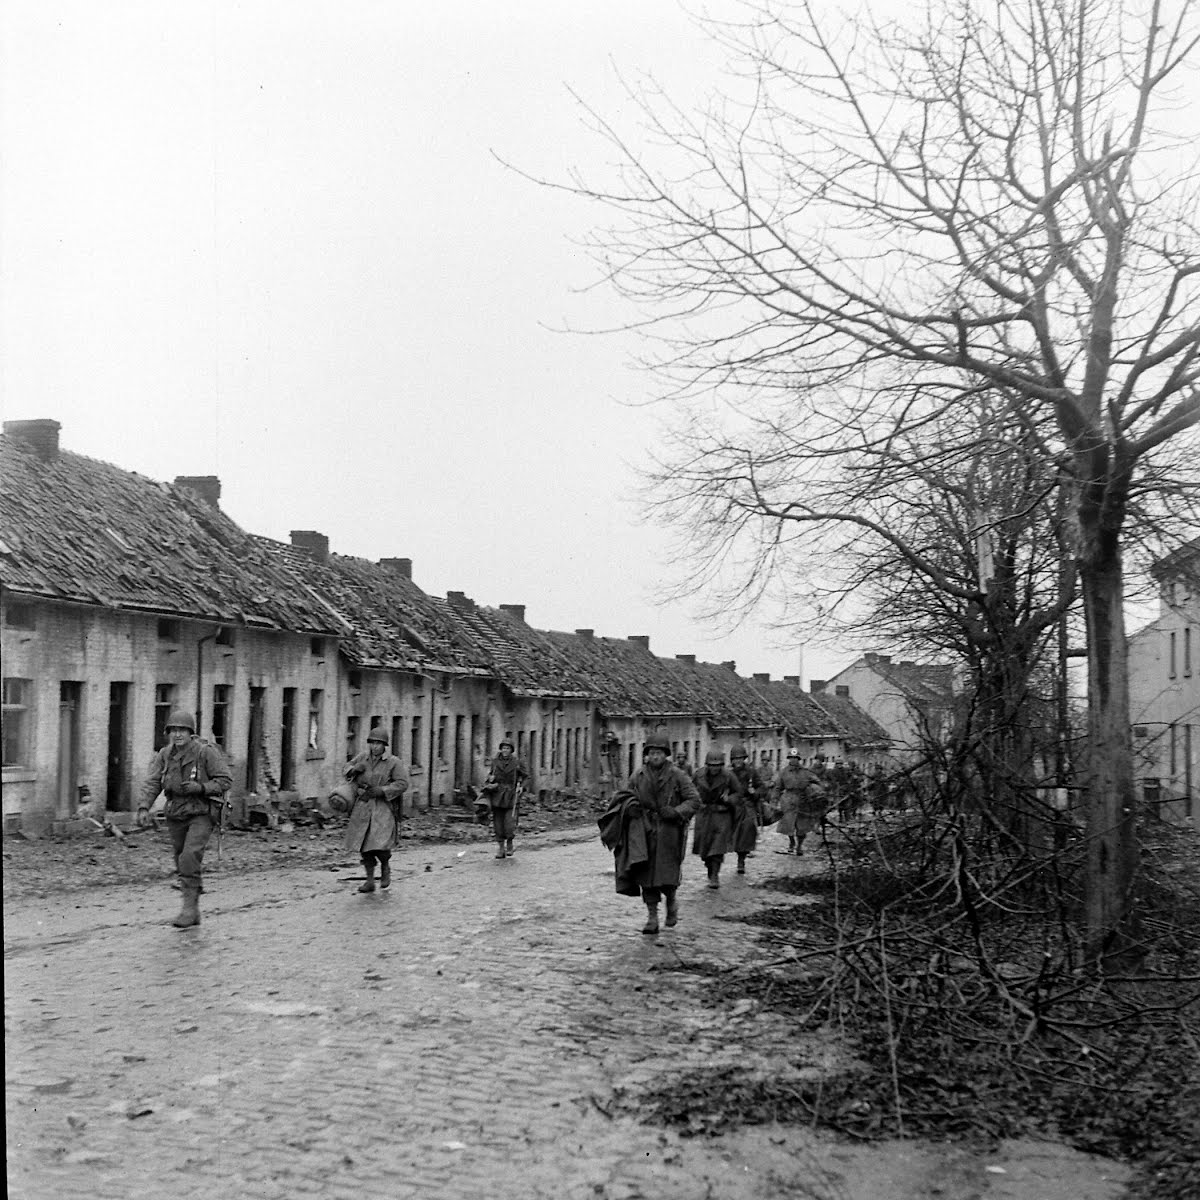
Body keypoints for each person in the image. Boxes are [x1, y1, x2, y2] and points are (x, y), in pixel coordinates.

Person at [138, 709, 232, 928]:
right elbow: (153, 782)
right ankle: (193, 906)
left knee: (190, 856)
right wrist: (144, 807)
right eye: (173, 730)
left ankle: (189, 910)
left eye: (182, 730)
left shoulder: (205, 753)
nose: (177, 734)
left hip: (201, 812)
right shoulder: (165, 755)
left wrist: (201, 787)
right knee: (181, 859)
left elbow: (225, 780)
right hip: (176, 812)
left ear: (191, 733)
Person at [600, 733, 700, 934]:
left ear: (666, 755)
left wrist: (676, 811)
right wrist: (630, 809)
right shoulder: (638, 776)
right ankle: (652, 917)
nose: (655, 757)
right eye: (652, 753)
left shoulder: (678, 776)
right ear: (646, 755)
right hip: (644, 831)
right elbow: (624, 798)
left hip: (670, 832)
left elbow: (694, 800)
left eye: (659, 753)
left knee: (668, 875)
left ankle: (671, 902)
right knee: (645, 875)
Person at [342, 726, 409, 892]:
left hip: (382, 807)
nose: (375, 747)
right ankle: (370, 880)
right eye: (372, 743)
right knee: (363, 844)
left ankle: (385, 867)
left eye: (378, 743)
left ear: (384, 745)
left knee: (380, 843)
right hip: (363, 804)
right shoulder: (363, 757)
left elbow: (402, 784)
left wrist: (383, 790)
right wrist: (352, 770)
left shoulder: (393, 762)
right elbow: (346, 768)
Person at [692, 748, 741, 889]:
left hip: (721, 814)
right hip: (704, 814)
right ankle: (709, 869)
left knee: (717, 848)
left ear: (722, 765)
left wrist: (728, 799)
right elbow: (689, 790)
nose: (714, 768)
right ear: (707, 764)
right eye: (712, 765)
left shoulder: (728, 776)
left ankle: (714, 876)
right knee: (705, 849)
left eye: (718, 765)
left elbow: (738, 793)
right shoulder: (698, 775)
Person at [480, 738, 528, 859]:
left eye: (507, 748)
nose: (505, 750)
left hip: (512, 795)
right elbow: (491, 775)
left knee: (510, 823)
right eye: (503, 748)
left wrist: (521, 787)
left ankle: (510, 843)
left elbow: (527, 777)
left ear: (511, 750)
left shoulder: (517, 763)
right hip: (497, 794)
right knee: (498, 824)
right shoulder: (495, 762)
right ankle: (501, 847)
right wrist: (490, 779)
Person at [772, 749, 825, 854]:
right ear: (788, 759)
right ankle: (791, 842)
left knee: (802, 826)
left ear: (799, 759)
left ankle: (799, 846)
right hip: (788, 799)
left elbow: (817, 781)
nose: (793, 760)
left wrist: (819, 790)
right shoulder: (783, 772)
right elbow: (778, 787)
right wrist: (774, 800)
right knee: (788, 824)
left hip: (802, 799)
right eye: (791, 758)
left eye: (795, 758)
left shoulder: (805, 772)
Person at [728, 743, 765, 875]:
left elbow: (761, 787)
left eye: (740, 758)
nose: (737, 761)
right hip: (731, 806)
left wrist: (754, 792)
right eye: (735, 759)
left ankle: (741, 859)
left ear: (744, 759)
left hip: (747, 805)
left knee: (747, 830)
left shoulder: (751, 772)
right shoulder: (728, 773)